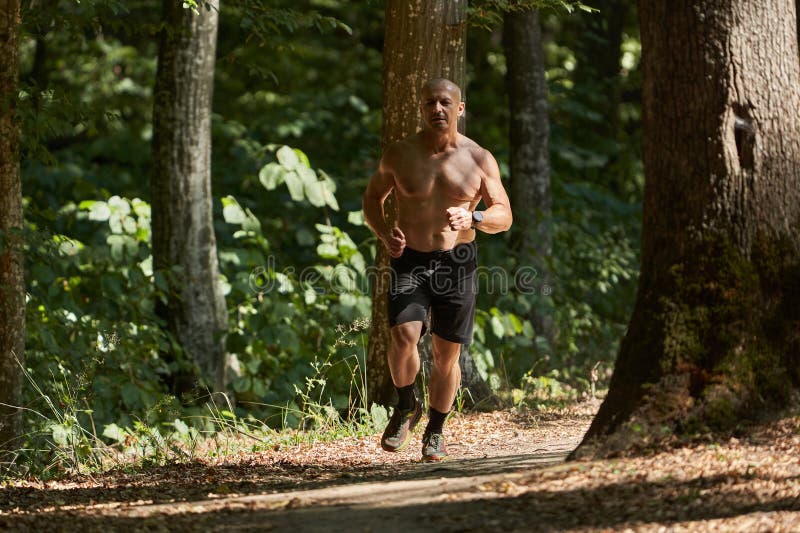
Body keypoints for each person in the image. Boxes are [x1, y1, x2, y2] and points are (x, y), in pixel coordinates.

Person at [362, 78, 513, 461]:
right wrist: (383, 233)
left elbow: (505, 216)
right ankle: (404, 404)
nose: (437, 109)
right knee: (403, 335)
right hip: (409, 259)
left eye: (445, 102)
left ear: (459, 109)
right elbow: (371, 198)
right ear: (421, 108)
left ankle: (435, 429)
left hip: (457, 263)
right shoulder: (399, 154)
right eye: (429, 102)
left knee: (447, 355)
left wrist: (473, 216)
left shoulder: (479, 158)